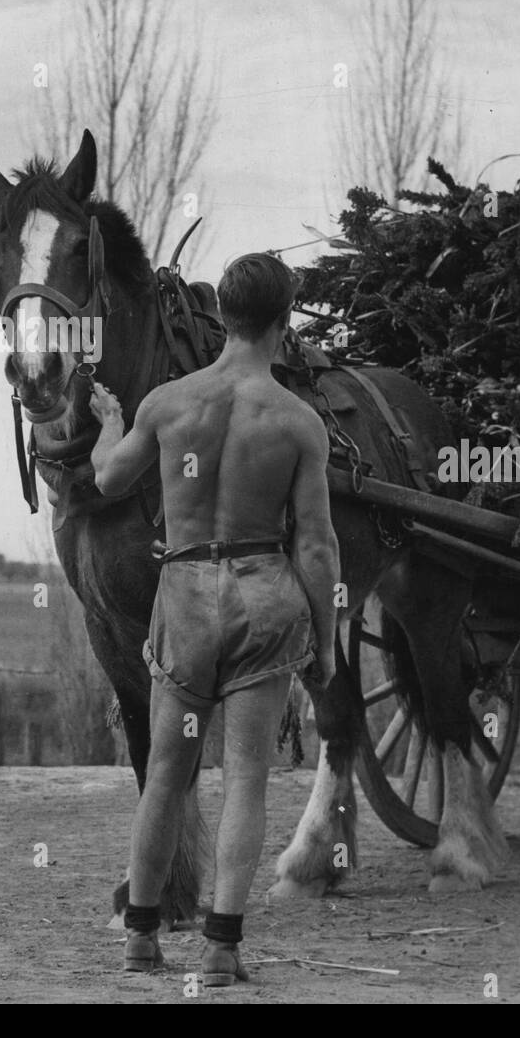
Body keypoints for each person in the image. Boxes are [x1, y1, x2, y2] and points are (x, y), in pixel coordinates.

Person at [90, 252, 340, 985]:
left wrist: (108, 421)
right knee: (249, 780)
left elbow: (108, 479)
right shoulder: (299, 422)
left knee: (167, 773)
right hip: (265, 594)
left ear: (223, 315)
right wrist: (322, 642)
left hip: (187, 594)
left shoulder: (168, 404)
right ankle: (223, 949)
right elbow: (318, 547)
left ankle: (140, 940)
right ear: (284, 321)